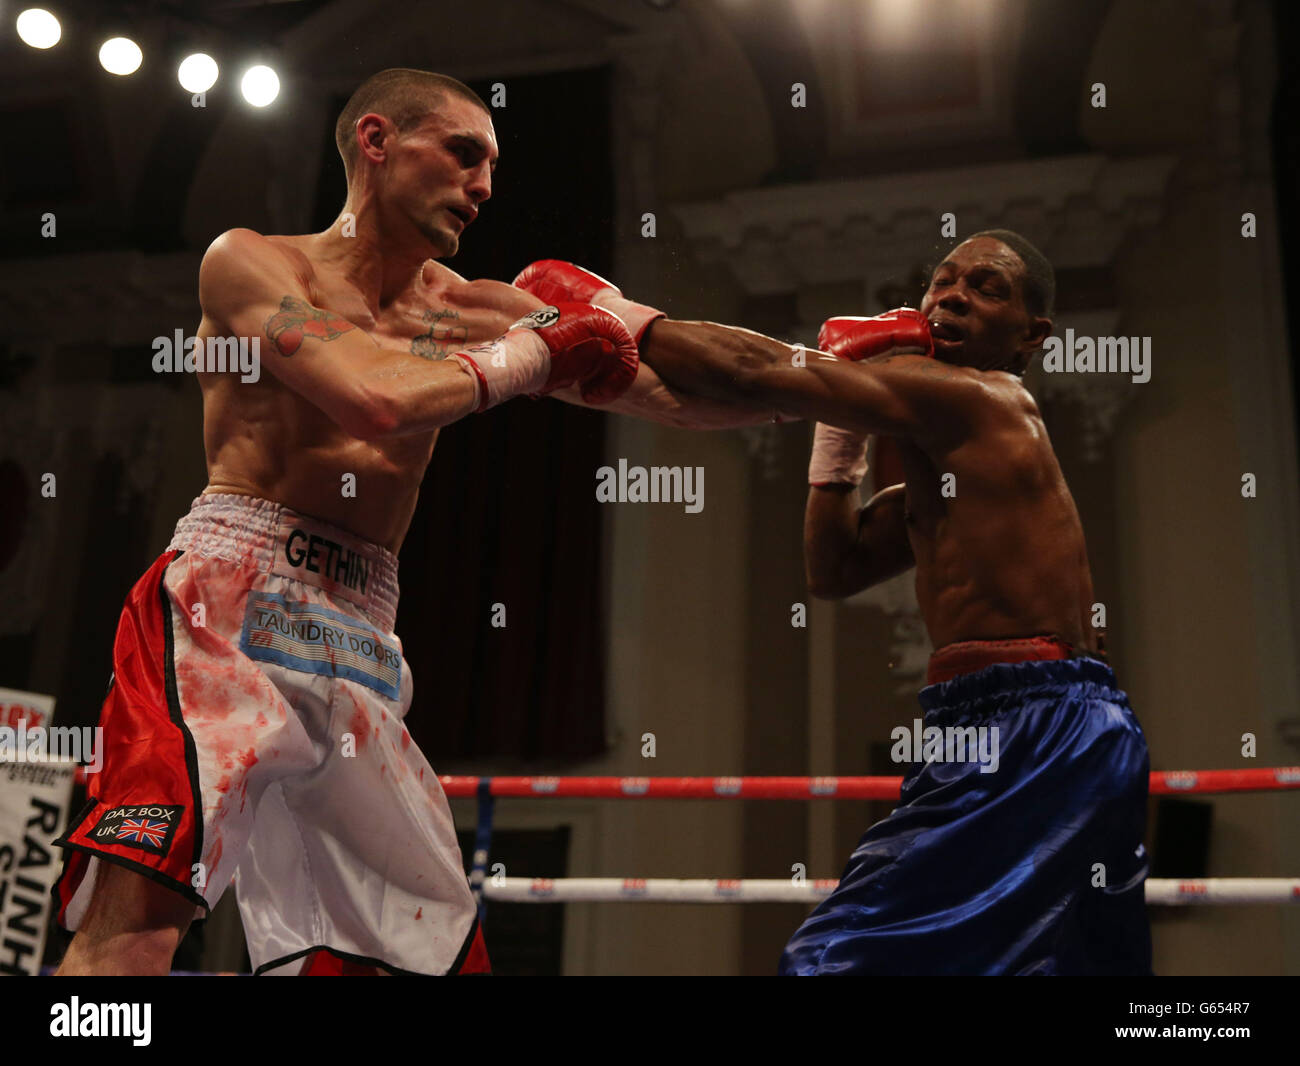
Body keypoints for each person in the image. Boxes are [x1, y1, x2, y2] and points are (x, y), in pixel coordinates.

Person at [49, 67, 766, 977]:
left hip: (361, 638)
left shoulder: (476, 311)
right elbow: (373, 400)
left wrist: (859, 396)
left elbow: (681, 398)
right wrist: (536, 349)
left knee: (414, 958)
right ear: (376, 141)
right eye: (465, 153)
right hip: (226, 605)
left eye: (495, 166)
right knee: (138, 923)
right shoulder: (253, 263)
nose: (485, 186)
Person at [521, 231, 1152, 975]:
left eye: (986, 289)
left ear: (1029, 339)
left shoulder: (985, 397)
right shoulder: (937, 473)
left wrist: (616, 316)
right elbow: (834, 566)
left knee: (836, 958)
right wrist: (842, 422)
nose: (950, 295)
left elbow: (756, 370)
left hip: (1033, 725)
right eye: (941, 282)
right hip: (1025, 723)